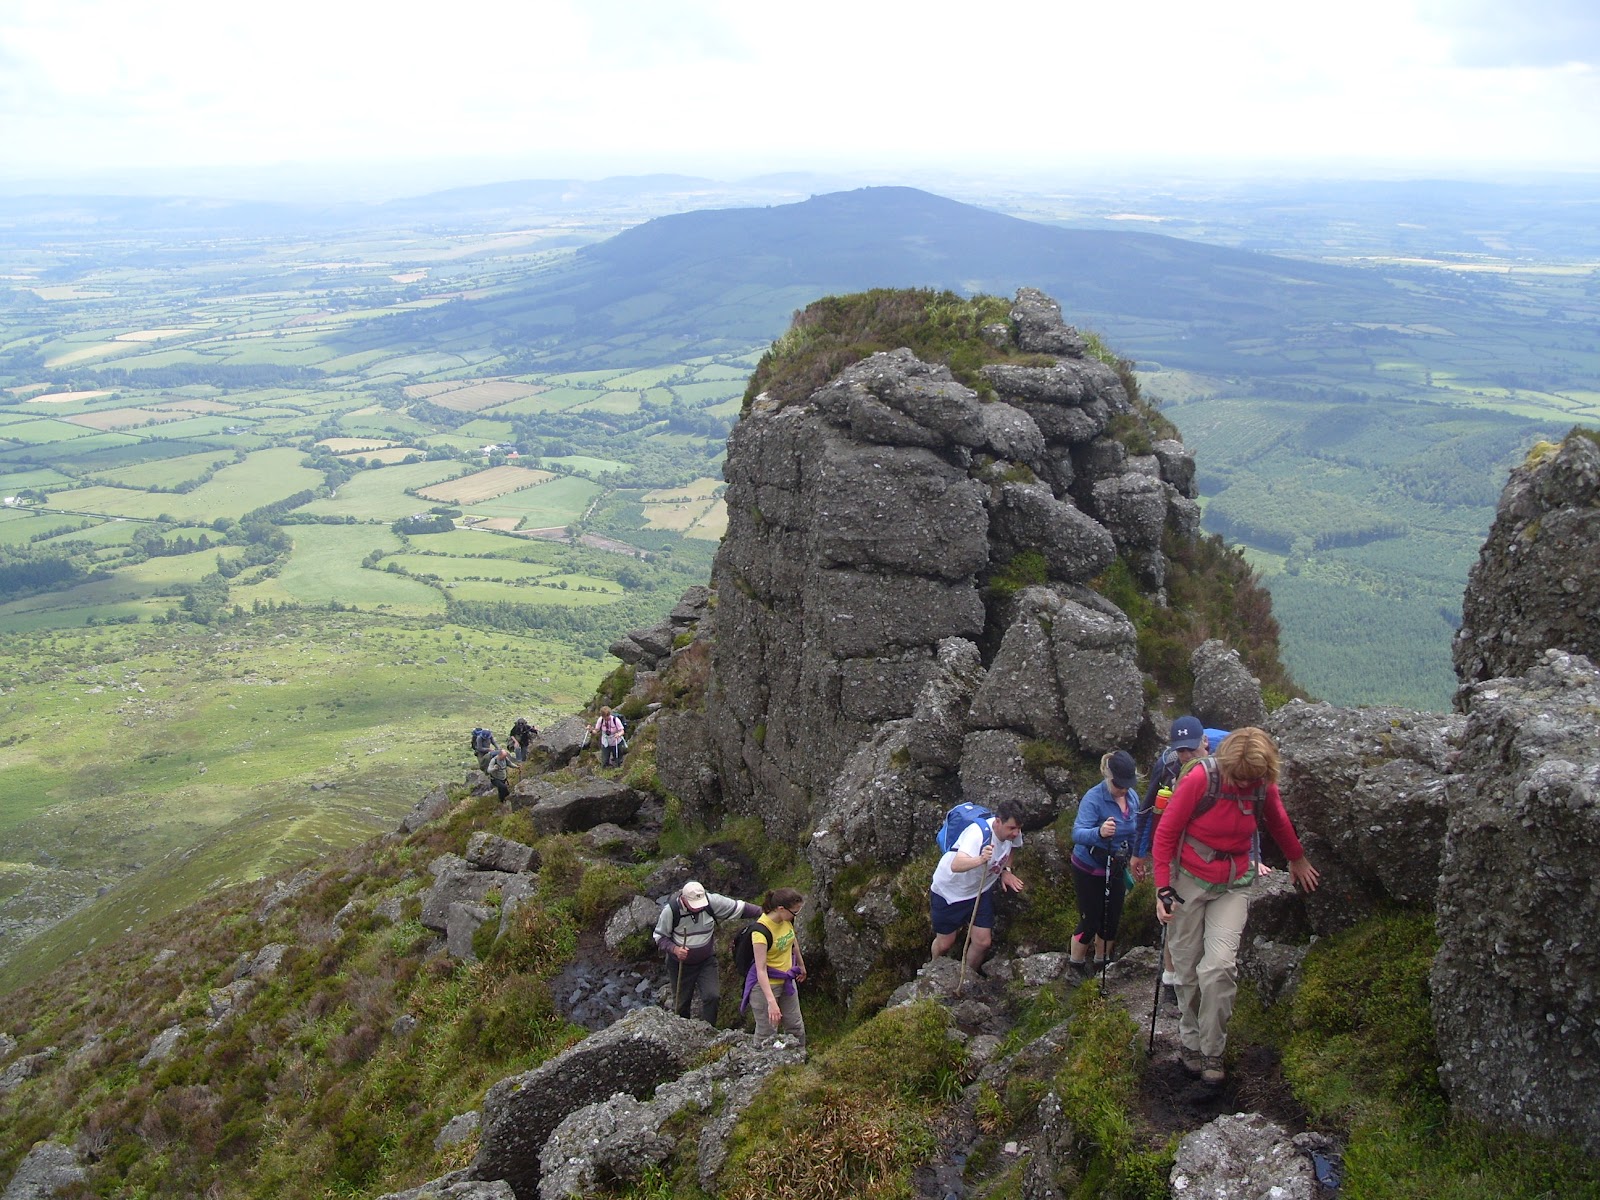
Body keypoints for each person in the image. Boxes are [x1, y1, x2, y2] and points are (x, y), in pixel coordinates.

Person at [1154, 727, 1320, 1085]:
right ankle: (1190, 1040)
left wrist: (1297, 858)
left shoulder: (1262, 783)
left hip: (1233, 884)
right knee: (1186, 968)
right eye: (1240, 777)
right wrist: (1162, 887)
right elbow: (1166, 832)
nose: (1245, 784)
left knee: (1219, 968)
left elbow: (1278, 820)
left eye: (1252, 778)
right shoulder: (1201, 778)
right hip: (1189, 880)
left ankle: (1212, 1052)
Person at [1132, 716, 1209, 1003]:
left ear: (1205, 742)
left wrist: (1252, 855)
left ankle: (1193, 979)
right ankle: (1170, 979)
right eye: (1181, 750)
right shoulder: (1167, 765)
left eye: (1191, 748)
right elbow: (1146, 809)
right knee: (1172, 910)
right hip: (1173, 851)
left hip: (1206, 852)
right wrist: (1138, 852)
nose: (1186, 755)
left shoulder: (1221, 765)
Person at [928, 801, 1026, 975]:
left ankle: (967, 977)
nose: (1016, 833)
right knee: (945, 944)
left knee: (982, 943)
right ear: (998, 821)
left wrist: (1006, 870)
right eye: (1012, 828)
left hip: (979, 892)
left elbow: (1013, 847)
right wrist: (980, 859)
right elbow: (956, 865)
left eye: (1018, 828)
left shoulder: (1013, 833)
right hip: (950, 893)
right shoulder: (977, 834)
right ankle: (932, 970)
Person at [1069, 751, 1139, 979]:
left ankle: (1102, 963)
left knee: (1111, 919)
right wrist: (1099, 832)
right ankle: (1075, 966)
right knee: (1091, 920)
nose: (1124, 789)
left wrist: (1135, 856)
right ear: (1109, 778)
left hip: (1116, 866)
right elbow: (1077, 833)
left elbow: (1134, 830)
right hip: (1088, 868)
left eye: (1128, 784)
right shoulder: (1094, 798)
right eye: (1119, 784)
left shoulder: (1132, 798)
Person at [652, 881, 760, 1025]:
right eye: (694, 904)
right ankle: (683, 1029)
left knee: (712, 996)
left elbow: (740, 908)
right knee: (681, 1003)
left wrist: (766, 913)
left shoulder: (711, 902)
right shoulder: (671, 911)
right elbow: (659, 936)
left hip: (706, 961)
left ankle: (709, 1029)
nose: (699, 907)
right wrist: (675, 949)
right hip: (680, 964)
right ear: (684, 899)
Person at [742, 887, 808, 1047]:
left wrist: (801, 965)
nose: (796, 915)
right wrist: (771, 1002)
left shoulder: (787, 920)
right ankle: (759, 1059)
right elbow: (761, 969)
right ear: (780, 909)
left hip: (787, 981)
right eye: (794, 912)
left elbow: (792, 941)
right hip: (765, 986)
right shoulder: (761, 932)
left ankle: (799, 1057)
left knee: (796, 1026)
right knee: (767, 1032)